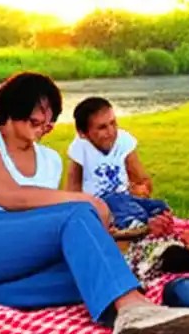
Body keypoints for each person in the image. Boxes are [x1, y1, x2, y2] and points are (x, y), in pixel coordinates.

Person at [0, 72, 189, 334]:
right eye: (36, 121)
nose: (45, 128)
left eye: (50, 122)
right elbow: (11, 197)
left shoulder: (48, 160)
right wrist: (87, 201)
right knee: (81, 221)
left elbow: (42, 223)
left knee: (104, 272)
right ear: (12, 112)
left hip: (4, 260)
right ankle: (133, 310)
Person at [66, 96, 169, 236]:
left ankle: (140, 221)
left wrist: (141, 189)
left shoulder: (123, 141)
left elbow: (143, 181)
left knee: (159, 206)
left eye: (113, 123)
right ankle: (134, 224)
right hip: (98, 205)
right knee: (113, 199)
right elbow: (72, 190)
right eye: (102, 127)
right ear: (83, 133)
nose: (111, 131)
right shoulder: (80, 148)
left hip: (126, 200)